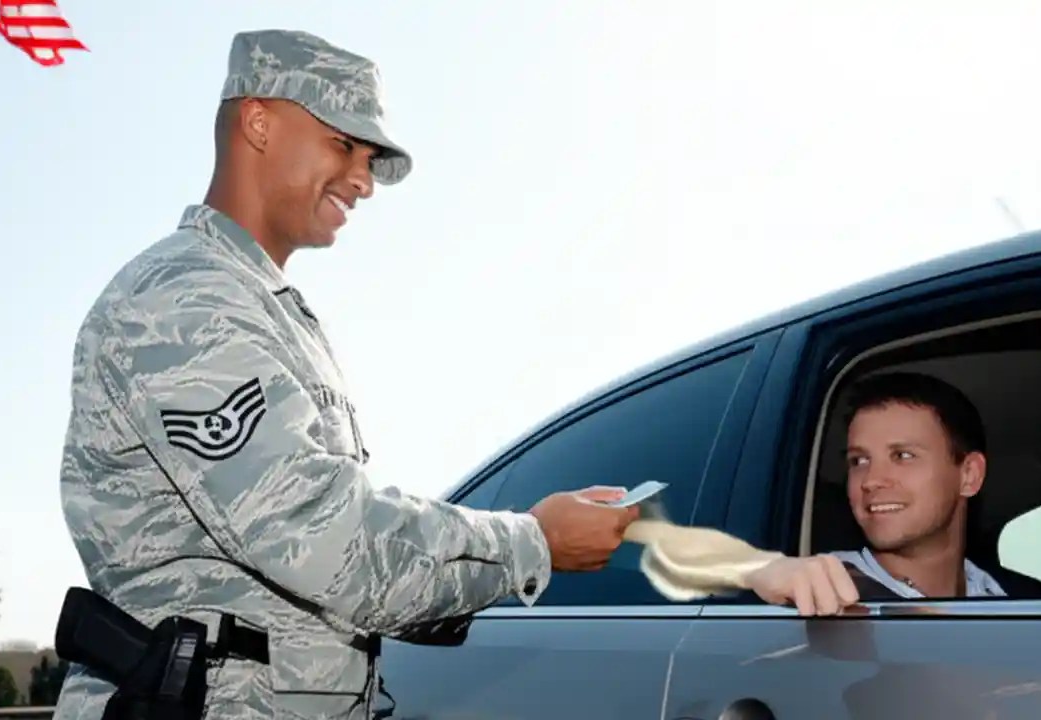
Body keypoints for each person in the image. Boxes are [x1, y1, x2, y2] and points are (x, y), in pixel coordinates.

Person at [51, 29, 638, 720]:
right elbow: (324, 539)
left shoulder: (261, 307)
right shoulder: (184, 301)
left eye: (368, 158)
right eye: (343, 144)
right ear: (259, 122)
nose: (363, 180)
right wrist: (532, 543)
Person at [740, 371, 1006, 614]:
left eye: (902, 455)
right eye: (859, 461)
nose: (871, 481)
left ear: (969, 475)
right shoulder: (828, 592)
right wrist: (758, 570)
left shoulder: (1009, 597)